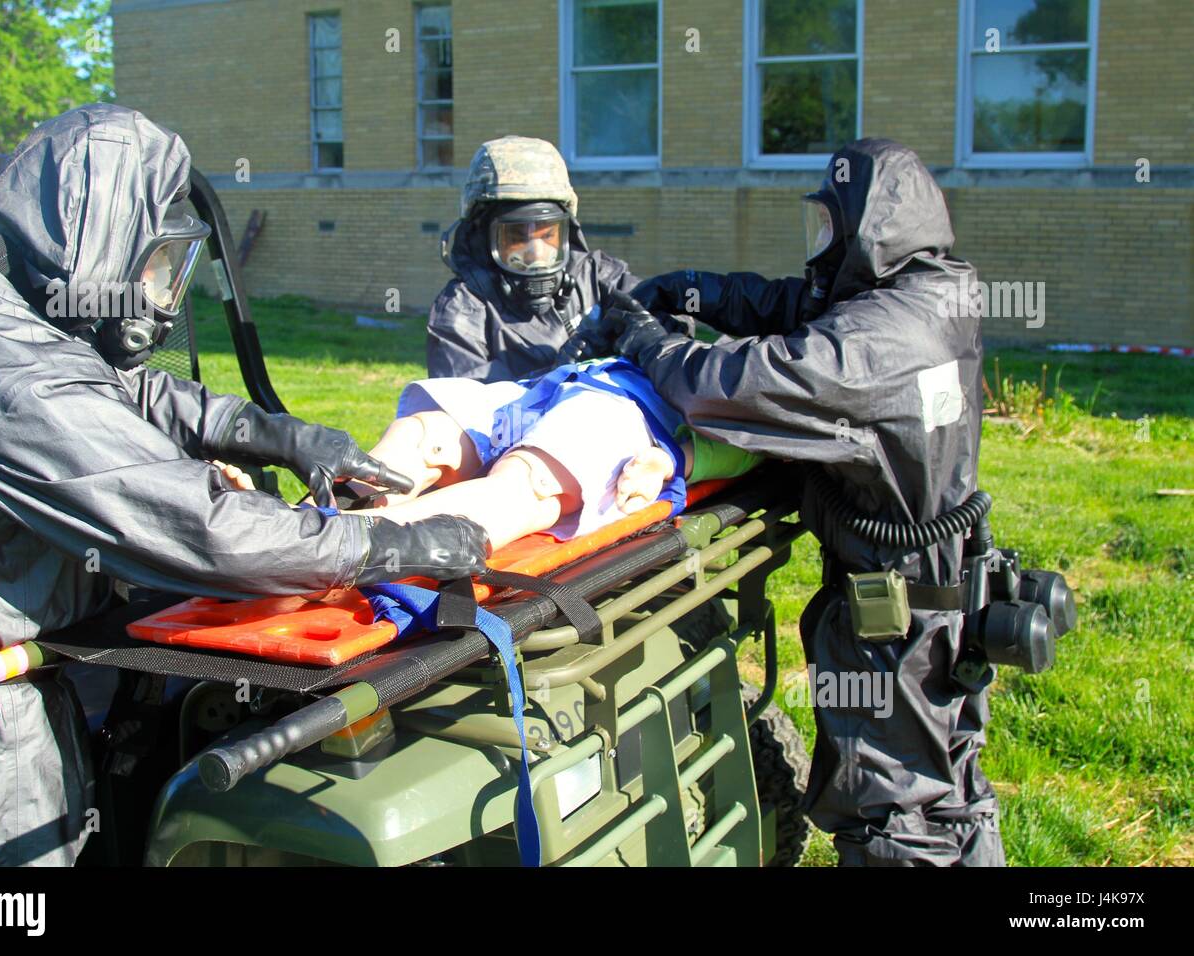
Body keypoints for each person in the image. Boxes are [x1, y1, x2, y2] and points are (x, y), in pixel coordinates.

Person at [0, 104, 488, 866]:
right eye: (152, 266)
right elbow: (198, 526)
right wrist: (388, 542)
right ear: (97, 233)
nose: (159, 296)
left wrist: (274, 432)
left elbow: (116, 391)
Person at [564, 139, 1002, 867]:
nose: (819, 251)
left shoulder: (879, 341)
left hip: (895, 617)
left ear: (871, 233)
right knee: (947, 780)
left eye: (830, 232)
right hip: (939, 592)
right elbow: (787, 306)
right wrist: (688, 289)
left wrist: (646, 340)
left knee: (893, 802)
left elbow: (729, 383)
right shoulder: (930, 293)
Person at [345, 357, 762, 549]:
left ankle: (333, 546)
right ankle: (298, 526)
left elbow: (748, 449)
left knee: (531, 482)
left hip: (628, 413)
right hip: (557, 382)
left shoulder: (771, 392)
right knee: (424, 437)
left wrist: (669, 461)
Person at [426, 136, 648, 382]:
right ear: (483, 236)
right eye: (518, 237)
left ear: (567, 230)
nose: (537, 253)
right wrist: (553, 379)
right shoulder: (463, 311)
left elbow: (667, 334)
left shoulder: (594, 276)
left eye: (548, 234)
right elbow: (466, 408)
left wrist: (667, 305)